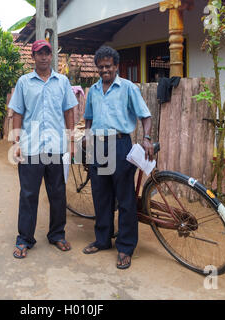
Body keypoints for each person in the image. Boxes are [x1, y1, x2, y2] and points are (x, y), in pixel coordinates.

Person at [82, 46, 154, 270]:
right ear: (97, 68)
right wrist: (86, 137)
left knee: (125, 199)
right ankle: (103, 240)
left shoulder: (128, 88)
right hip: (99, 146)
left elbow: (146, 116)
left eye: (109, 66)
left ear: (116, 66)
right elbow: (89, 119)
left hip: (121, 144)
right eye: (101, 67)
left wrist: (147, 138)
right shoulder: (93, 91)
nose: (105, 70)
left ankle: (125, 247)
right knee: (101, 196)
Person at [9, 39, 78, 259]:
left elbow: (69, 112)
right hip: (31, 147)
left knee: (57, 193)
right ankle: (25, 239)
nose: (44, 57)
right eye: (40, 53)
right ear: (33, 56)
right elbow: (17, 112)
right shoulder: (24, 82)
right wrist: (16, 142)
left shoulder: (63, 81)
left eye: (48, 53)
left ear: (52, 56)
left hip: (56, 147)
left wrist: (71, 141)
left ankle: (57, 234)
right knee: (28, 194)